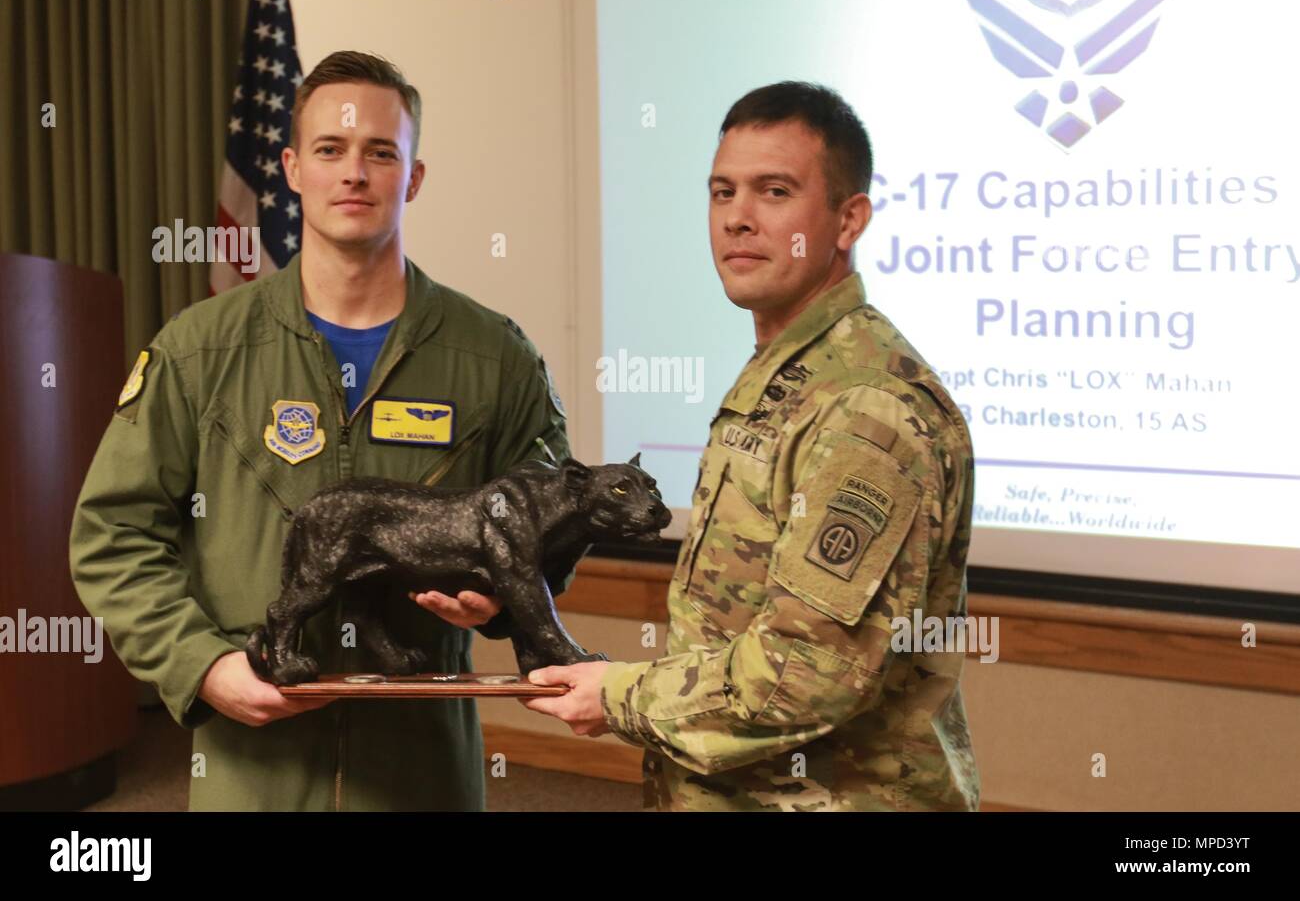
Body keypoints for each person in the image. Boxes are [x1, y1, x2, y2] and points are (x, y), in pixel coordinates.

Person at [68, 51, 570, 811]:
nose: (355, 174)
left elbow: (549, 520)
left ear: (415, 177)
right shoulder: (200, 350)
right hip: (252, 766)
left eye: (380, 152)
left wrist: (498, 600)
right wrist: (201, 664)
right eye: (331, 151)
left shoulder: (495, 357)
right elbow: (111, 535)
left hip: (420, 763)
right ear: (292, 169)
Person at [524, 81, 979, 811]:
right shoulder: (791, 372)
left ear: (847, 219)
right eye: (722, 192)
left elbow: (805, 673)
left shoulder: (864, 407)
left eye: (774, 192)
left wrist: (621, 696)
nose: (737, 219)